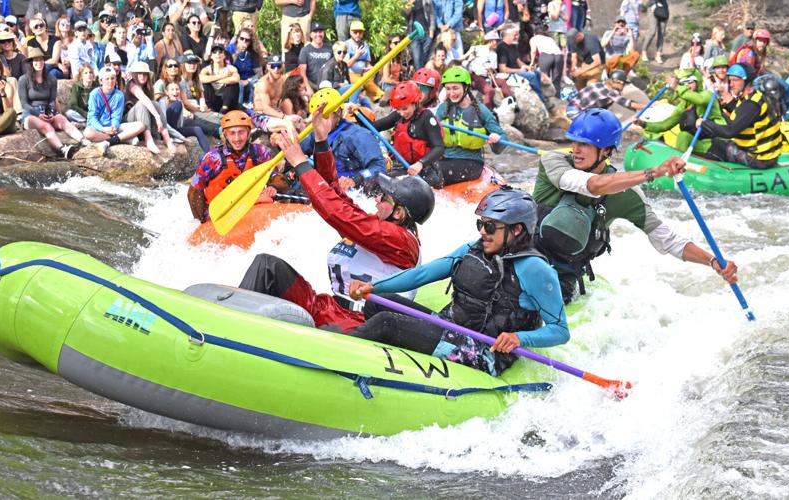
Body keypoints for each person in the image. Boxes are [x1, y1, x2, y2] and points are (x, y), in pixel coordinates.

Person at [239, 102, 435, 332]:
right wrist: (322, 143)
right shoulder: (378, 225)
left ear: (398, 213)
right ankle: (231, 326)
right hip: (330, 307)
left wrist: (301, 163)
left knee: (326, 331)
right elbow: (336, 195)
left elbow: (336, 212)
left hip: (359, 323)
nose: (376, 200)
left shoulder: (401, 241)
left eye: (384, 198)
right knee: (267, 266)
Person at [347, 186, 569, 376]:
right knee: (378, 301)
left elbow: (559, 330)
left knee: (387, 321)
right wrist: (374, 287)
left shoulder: (536, 269)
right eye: (481, 224)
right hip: (449, 327)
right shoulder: (473, 249)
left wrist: (519, 338)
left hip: (484, 351)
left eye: (490, 226)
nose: (483, 232)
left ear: (517, 229)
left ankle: (342, 355)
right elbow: (422, 274)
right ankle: (377, 361)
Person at [532, 108, 739, 302]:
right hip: (526, 261)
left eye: (584, 144)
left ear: (605, 150)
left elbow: (667, 240)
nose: (575, 150)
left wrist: (713, 262)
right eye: (574, 142)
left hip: (563, 277)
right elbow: (591, 185)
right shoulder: (554, 162)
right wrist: (654, 172)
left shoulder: (627, 193)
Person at [187, 109, 275, 222]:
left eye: (241, 132)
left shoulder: (260, 152)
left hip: (252, 206)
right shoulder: (212, 158)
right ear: (225, 134)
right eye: (232, 133)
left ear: (248, 133)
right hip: (222, 213)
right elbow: (194, 192)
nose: (237, 138)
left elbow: (276, 179)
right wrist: (201, 222)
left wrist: (273, 187)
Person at [698, 63, 783, 169]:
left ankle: (713, 176)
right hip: (767, 155)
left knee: (718, 145)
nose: (731, 84)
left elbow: (730, 131)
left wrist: (704, 123)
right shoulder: (755, 96)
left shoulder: (751, 104)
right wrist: (725, 94)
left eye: (735, 80)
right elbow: (741, 113)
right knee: (721, 143)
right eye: (730, 80)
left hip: (760, 160)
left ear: (746, 81)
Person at [300, 87, 388, 190]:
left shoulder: (359, 135)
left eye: (325, 116)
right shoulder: (315, 135)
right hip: (325, 190)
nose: (320, 122)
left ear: (338, 113)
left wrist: (355, 180)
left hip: (354, 193)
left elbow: (379, 167)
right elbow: (296, 153)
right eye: (317, 117)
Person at [435, 67, 506, 187]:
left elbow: (503, 138)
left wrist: (496, 140)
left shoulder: (481, 110)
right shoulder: (443, 109)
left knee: (432, 172)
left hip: (471, 163)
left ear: (466, 88)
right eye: (448, 89)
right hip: (446, 159)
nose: (451, 93)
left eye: (455, 88)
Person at [18, 47, 90, 159]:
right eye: (35, 60)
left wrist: (51, 111)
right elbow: (24, 104)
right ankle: (62, 149)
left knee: (62, 119)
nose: (39, 63)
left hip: (47, 111)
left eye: (41, 60)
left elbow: (52, 99)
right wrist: (38, 115)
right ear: (31, 63)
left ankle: (84, 141)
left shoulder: (51, 79)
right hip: (31, 114)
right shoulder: (23, 79)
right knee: (46, 126)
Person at [633, 70, 726, 154]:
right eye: (684, 83)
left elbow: (700, 100)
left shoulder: (707, 95)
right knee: (683, 135)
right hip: (698, 142)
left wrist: (677, 86)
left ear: (698, 82)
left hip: (716, 142)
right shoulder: (684, 104)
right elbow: (665, 124)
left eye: (691, 82)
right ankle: (679, 163)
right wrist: (643, 124)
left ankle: (679, 162)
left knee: (683, 136)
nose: (688, 86)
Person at [373, 80, 445, 183]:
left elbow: (439, 148)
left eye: (405, 108)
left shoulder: (427, 117)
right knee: (378, 181)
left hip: (427, 170)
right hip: (404, 167)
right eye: (398, 109)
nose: (401, 113)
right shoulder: (398, 116)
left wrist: (420, 163)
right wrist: (357, 114)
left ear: (415, 102)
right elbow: (375, 126)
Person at [82, 66, 145, 153]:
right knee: (87, 133)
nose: (110, 81)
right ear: (101, 81)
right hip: (98, 128)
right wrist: (103, 129)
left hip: (112, 128)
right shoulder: (94, 94)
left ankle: (110, 140)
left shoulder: (119, 95)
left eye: (112, 78)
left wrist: (113, 127)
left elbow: (117, 117)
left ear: (115, 80)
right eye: (107, 79)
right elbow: (92, 117)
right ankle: (121, 138)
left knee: (140, 125)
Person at [124, 61, 179, 154]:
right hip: (129, 122)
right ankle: (148, 139)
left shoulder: (148, 87)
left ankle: (166, 138)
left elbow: (151, 105)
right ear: (135, 75)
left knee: (155, 104)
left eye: (145, 74)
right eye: (139, 73)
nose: (142, 76)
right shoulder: (131, 84)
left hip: (142, 122)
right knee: (142, 103)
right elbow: (143, 99)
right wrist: (157, 117)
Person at [497, 24, 546, 104]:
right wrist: (520, 70)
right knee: (532, 76)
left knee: (537, 73)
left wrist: (527, 67)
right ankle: (541, 99)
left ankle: (541, 95)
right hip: (509, 75)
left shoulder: (513, 46)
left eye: (517, 34)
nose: (517, 37)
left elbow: (518, 61)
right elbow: (503, 69)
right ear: (508, 35)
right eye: (515, 35)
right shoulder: (502, 48)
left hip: (517, 71)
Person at [461, 30, 510, 108]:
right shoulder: (477, 48)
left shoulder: (494, 54)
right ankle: (486, 111)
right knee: (490, 90)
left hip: (488, 77)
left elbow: (494, 72)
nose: (497, 43)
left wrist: (491, 70)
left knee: (502, 82)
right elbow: (463, 60)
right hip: (476, 76)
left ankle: (509, 101)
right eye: (496, 41)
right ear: (491, 41)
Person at [160, 80, 210, 152]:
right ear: (167, 92)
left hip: (175, 130)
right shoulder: (162, 102)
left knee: (197, 129)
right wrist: (181, 137)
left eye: (177, 89)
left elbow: (180, 124)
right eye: (172, 89)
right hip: (165, 132)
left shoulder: (179, 102)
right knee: (177, 104)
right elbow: (164, 125)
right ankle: (173, 137)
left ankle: (209, 156)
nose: (175, 91)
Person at [344, 20, 383, 102]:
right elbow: (346, 65)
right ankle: (379, 95)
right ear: (350, 32)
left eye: (360, 32)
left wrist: (371, 68)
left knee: (369, 77)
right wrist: (356, 56)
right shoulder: (346, 45)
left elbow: (368, 63)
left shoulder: (364, 44)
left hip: (364, 73)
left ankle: (375, 96)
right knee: (363, 83)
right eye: (355, 32)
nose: (358, 34)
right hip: (351, 74)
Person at [571, 69, 643, 113]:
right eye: (623, 84)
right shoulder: (610, 92)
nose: (623, 87)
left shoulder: (600, 84)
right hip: (577, 113)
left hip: (571, 107)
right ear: (617, 81)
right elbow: (629, 104)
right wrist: (650, 106)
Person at [200, 44, 241, 113]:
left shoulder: (231, 68)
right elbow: (202, 79)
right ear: (211, 56)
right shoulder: (206, 69)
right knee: (205, 84)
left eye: (220, 52)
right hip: (214, 100)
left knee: (233, 84)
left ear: (224, 55)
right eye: (215, 52)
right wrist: (223, 76)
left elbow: (236, 79)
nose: (217, 54)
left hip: (228, 101)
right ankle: (210, 108)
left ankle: (224, 109)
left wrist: (216, 80)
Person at [298, 21, 332, 95]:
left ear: (323, 33)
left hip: (329, 85)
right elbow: (302, 72)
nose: (318, 34)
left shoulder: (330, 48)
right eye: (315, 32)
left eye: (320, 32)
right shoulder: (305, 50)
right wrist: (308, 88)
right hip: (312, 85)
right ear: (310, 34)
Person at [529, 25, 564, 95]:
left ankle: (546, 97)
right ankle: (557, 97)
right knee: (556, 80)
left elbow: (533, 51)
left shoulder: (534, 38)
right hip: (559, 56)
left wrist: (532, 62)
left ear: (534, 33)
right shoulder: (549, 39)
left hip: (546, 56)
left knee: (544, 79)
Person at [405, 0, 435, 70]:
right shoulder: (407, 2)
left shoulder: (426, 1)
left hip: (426, 33)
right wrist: (410, 3)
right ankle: (418, 78)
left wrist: (432, 31)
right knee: (417, 59)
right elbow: (404, 14)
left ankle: (423, 76)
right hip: (414, 35)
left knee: (424, 59)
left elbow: (432, 14)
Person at [379, 35, 403, 99]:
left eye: (399, 42)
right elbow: (386, 79)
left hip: (396, 83)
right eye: (395, 43)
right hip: (388, 84)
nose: (398, 44)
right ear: (390, 45)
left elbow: (401, 67)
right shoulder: (388, 59)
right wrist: (399, 83)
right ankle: (387, 96)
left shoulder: (398, 57)